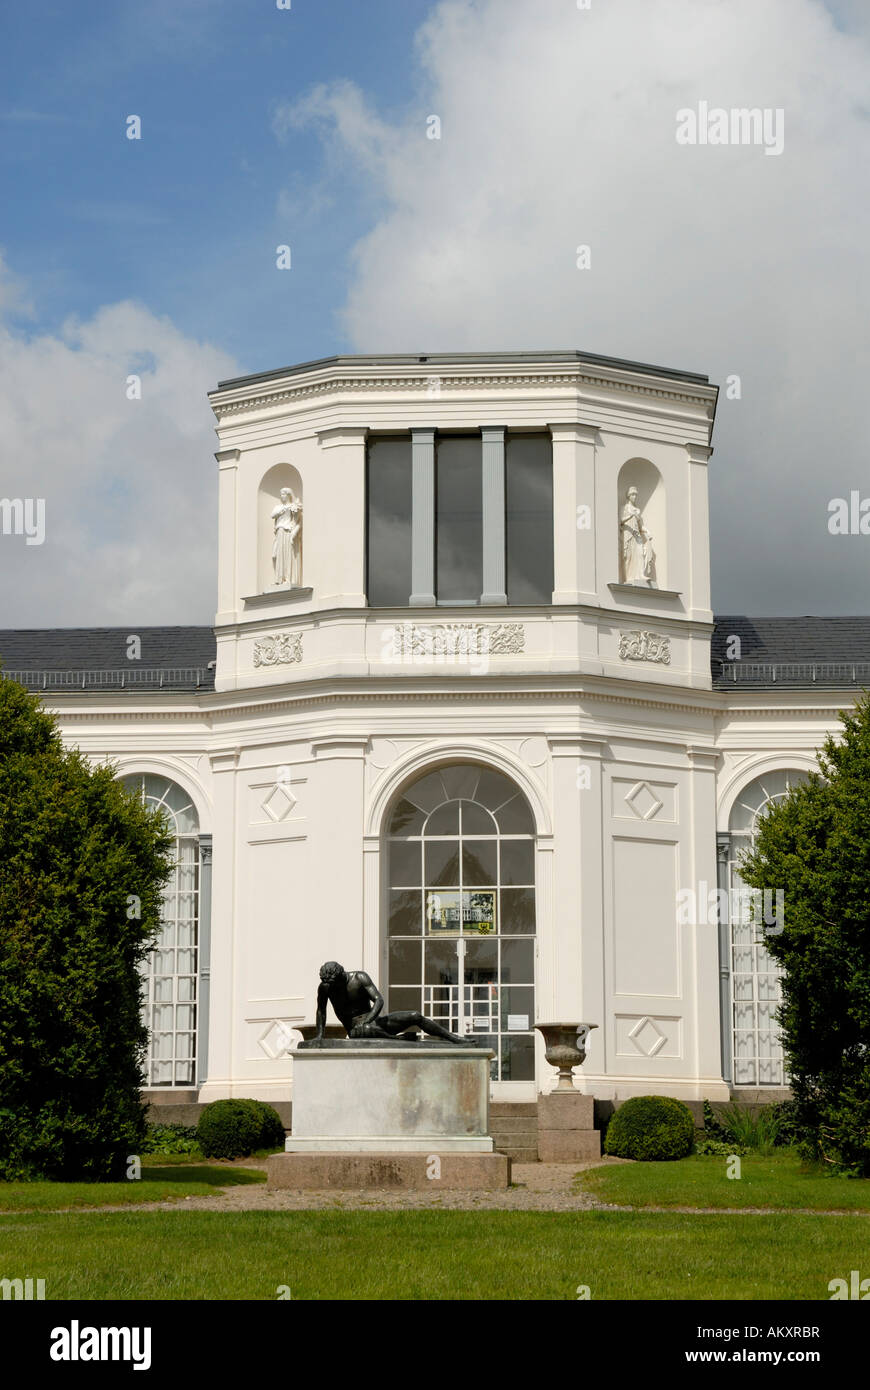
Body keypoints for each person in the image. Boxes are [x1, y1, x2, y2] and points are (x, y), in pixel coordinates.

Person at [314, 960, 472, 1043]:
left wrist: (368, 1020)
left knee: (415, 1015)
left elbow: (378, 1000)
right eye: (330, 984)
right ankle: (398, 1039)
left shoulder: (359, 977)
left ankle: (453, 1038)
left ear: (342, 974)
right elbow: (321, 1011)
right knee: (366, 1030)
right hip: (356, 1030)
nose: (333, 987)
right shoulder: (326, 987)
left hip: (374, 1022)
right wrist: (319, 1036)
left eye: (335, 983)